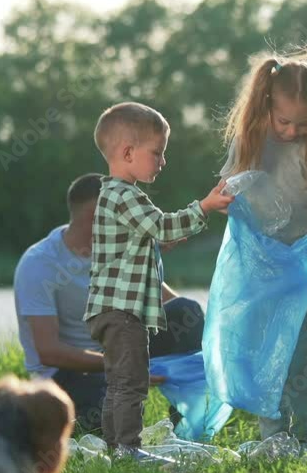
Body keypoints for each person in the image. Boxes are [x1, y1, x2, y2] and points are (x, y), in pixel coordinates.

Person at [84, 102, 232, 461]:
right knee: (131, 383)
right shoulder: (125, 194)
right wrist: (206, 207)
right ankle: (128, 450)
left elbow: (151, 235)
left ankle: (114, 448)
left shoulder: (113, 195)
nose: (162, 161)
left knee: (118, 382)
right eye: (158, 153)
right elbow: (162, 225)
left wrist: (162, 237)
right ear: (128, 152)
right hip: (122, 312)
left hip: (110, 310)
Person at [219, 44, 307, 443]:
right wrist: (225, 202)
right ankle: (273, 436)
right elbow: (224, 191)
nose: (292, 131)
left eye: (302, 123)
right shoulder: (249, 141)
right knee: (265, 348)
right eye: (284, 122)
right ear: (266, 104)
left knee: (301, 351)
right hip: (260, 261)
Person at [14, 173, 207, 434]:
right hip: (68, 372)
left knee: (187, 312)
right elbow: (49, 352)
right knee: (109, 420)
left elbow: (169, 303)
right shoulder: (40, 264)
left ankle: (186, 427)